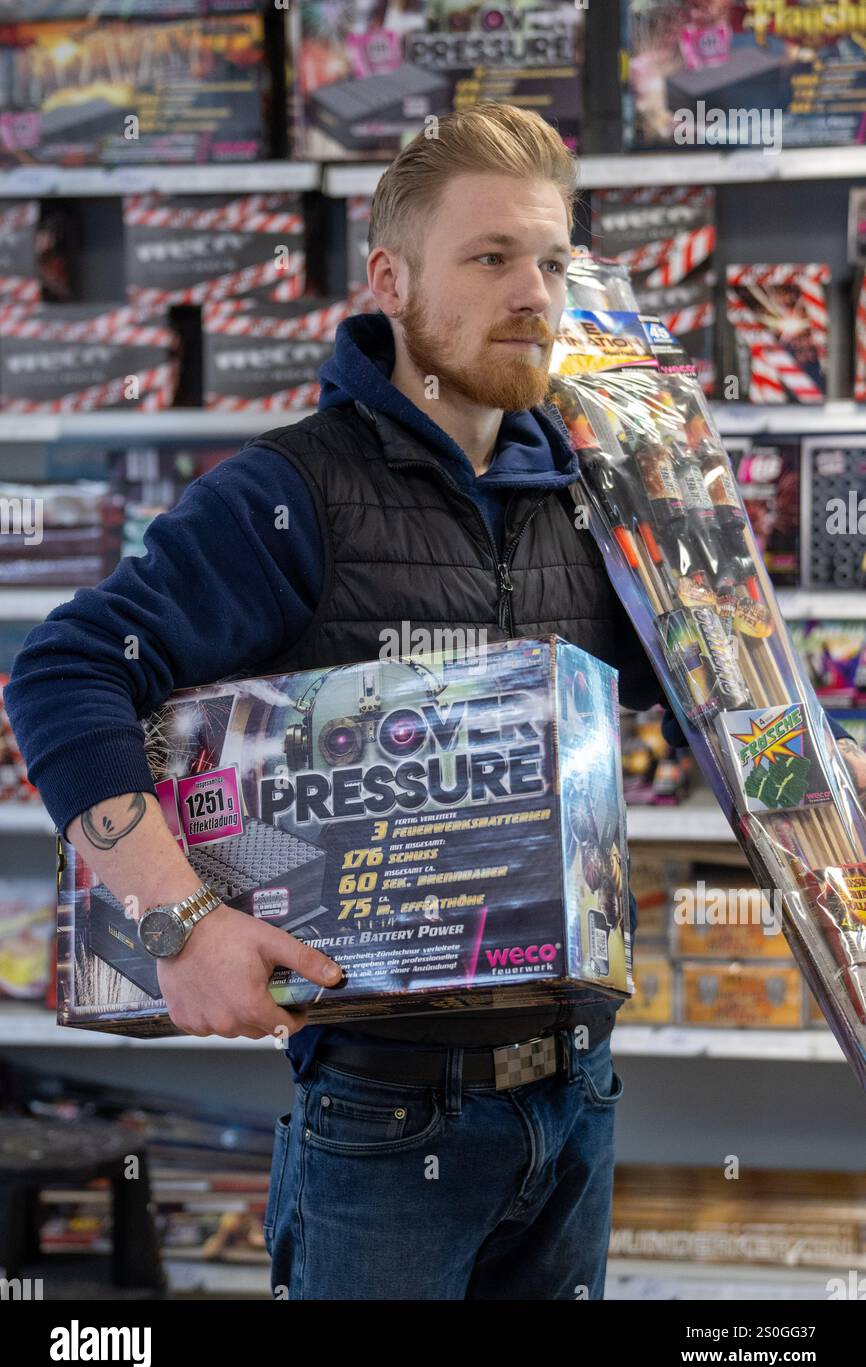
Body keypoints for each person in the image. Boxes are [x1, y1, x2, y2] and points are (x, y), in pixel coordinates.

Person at [6, 102, 863, 1301]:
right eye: (490, 257)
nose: (533, 294)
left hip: (576, 1094)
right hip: (382, 1114)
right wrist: (180, 923)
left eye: (551, 261)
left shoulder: (598, 497)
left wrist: (824, 785)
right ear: (392, 282)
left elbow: (716, 706)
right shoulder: (291, 493)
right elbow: (64, 669)